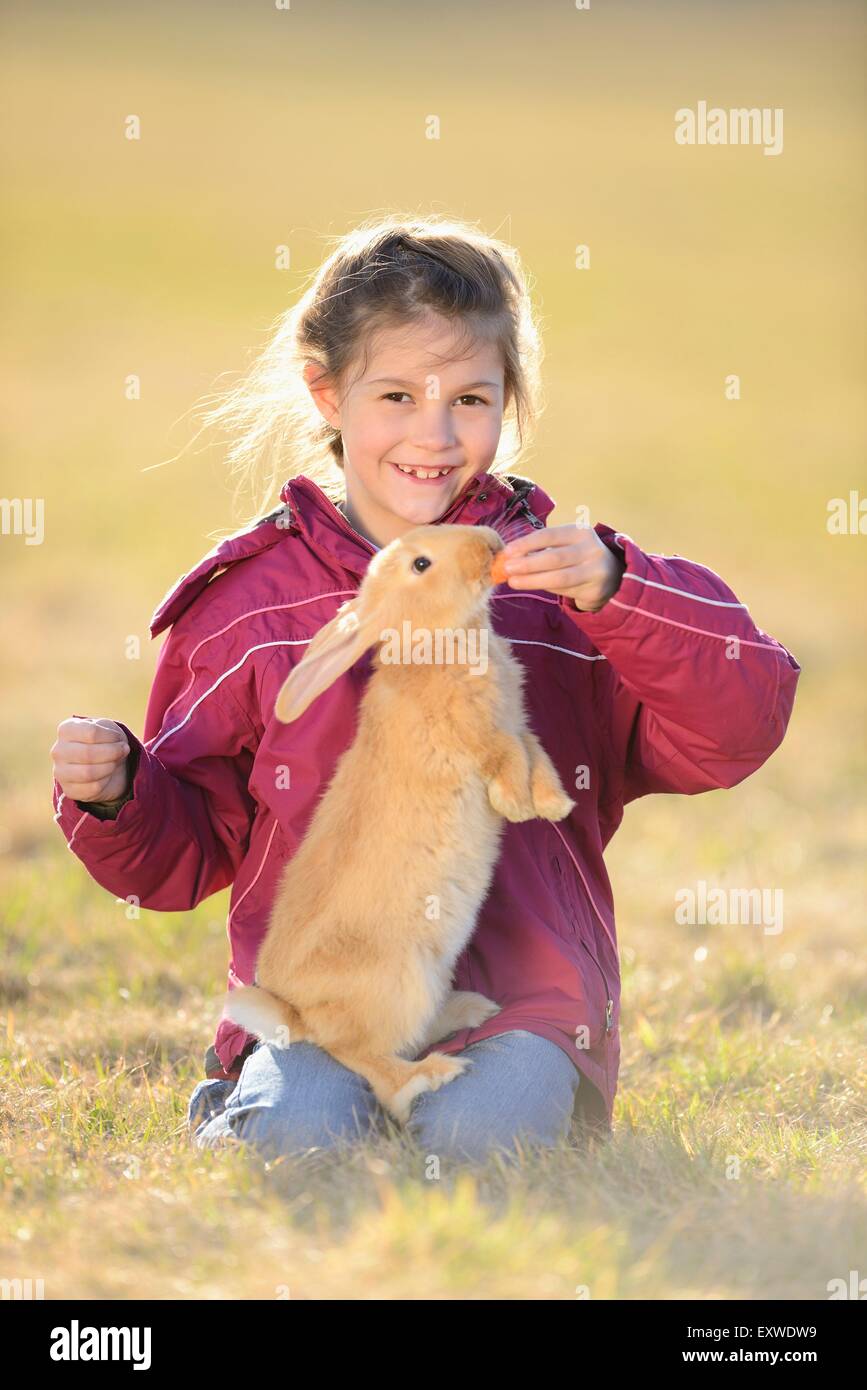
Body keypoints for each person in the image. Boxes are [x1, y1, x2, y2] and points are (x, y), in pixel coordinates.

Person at [50, 214, 800, 1165]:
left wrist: (626, 592)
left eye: (471, 399)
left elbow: (736, 727)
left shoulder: (552, 587)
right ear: (326, 393)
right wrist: (117, 796)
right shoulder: (251, 609)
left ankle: (518, 1101)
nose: (435, 436)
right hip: (330, 995)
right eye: (397, 395)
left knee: (478, 1148)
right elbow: (186, 852)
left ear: (510, 403)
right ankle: (250, 1097)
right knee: (302, 1145)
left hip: (524, 999)